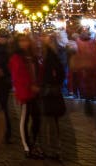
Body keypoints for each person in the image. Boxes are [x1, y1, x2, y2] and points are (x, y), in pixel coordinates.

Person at [9, 33, 43, 159]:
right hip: (25, 92)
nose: (24, 43)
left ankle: (33, 142)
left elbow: (38, 71)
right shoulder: (16, 57)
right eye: (21, 41)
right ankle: (27, 147)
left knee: (37, 118)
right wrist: (29, 86)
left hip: (35, 92)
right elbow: (18, 76)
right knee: (25, 119)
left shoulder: (32, 56)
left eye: (26, 40)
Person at [41, 33, 66, 162]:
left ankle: (52, 149)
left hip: (49, 92)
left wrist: (51, 84)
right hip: (52, 91)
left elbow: (59, 73)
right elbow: (61, 73)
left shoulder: (50, 57)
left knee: (49, 121)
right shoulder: (53, 56)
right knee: (52, 122)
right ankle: (54, 149)